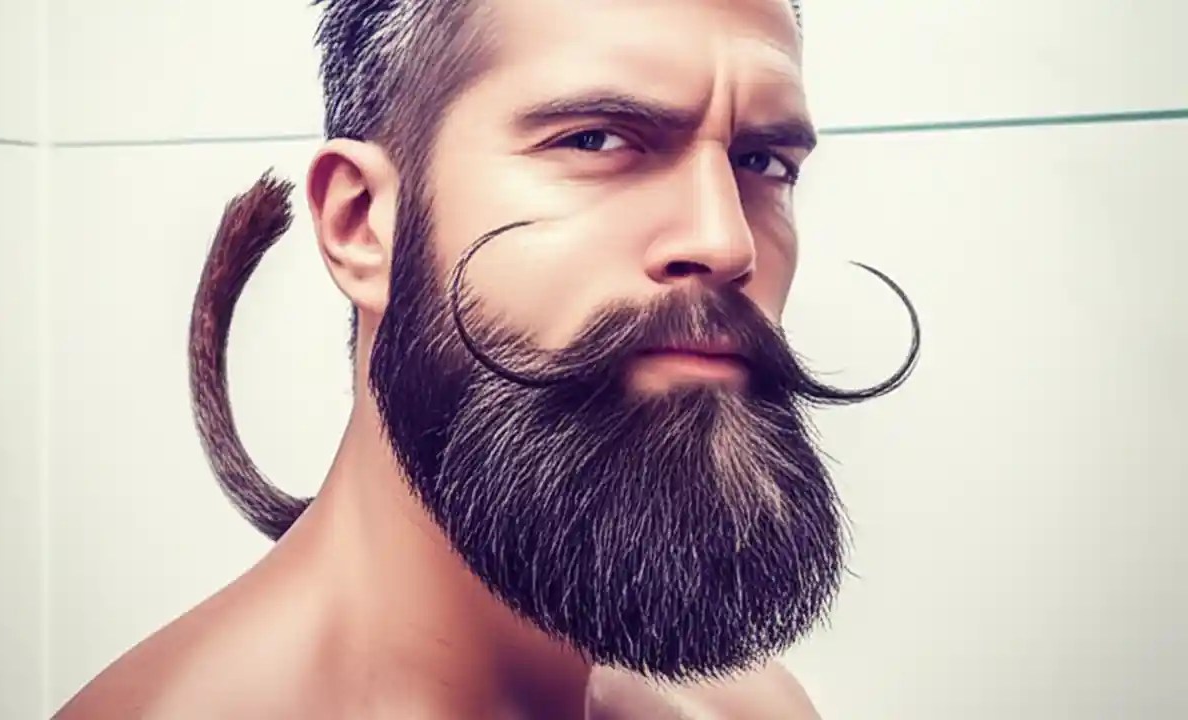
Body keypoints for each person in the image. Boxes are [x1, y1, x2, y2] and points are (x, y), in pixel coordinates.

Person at [55, 0, 919, 717]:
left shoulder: (747, 708)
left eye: (763, 161)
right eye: (595, 140)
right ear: (362, 225)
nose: (726, 241)